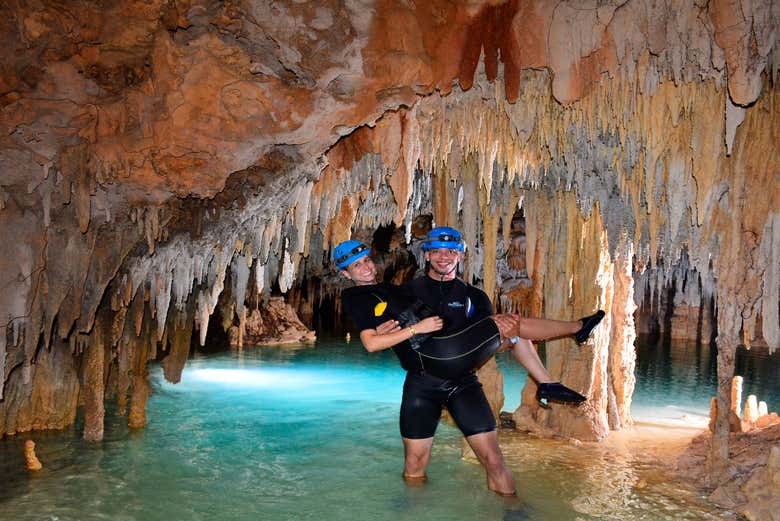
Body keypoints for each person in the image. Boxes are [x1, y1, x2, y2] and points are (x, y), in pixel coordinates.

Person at [336, 231, 604, 496]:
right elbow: (383, 327)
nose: (443, 257)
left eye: (450, 252)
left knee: (494, 459)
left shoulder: (473, 297)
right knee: (414, 463)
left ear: (460, 256)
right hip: (422, 383)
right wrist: (396, 331)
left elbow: (486, 344)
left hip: (463, 381)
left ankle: (513, 509)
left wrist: (506, 338)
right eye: (437, 252)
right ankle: (413, 509)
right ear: (426, 255)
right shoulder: (406, 290)